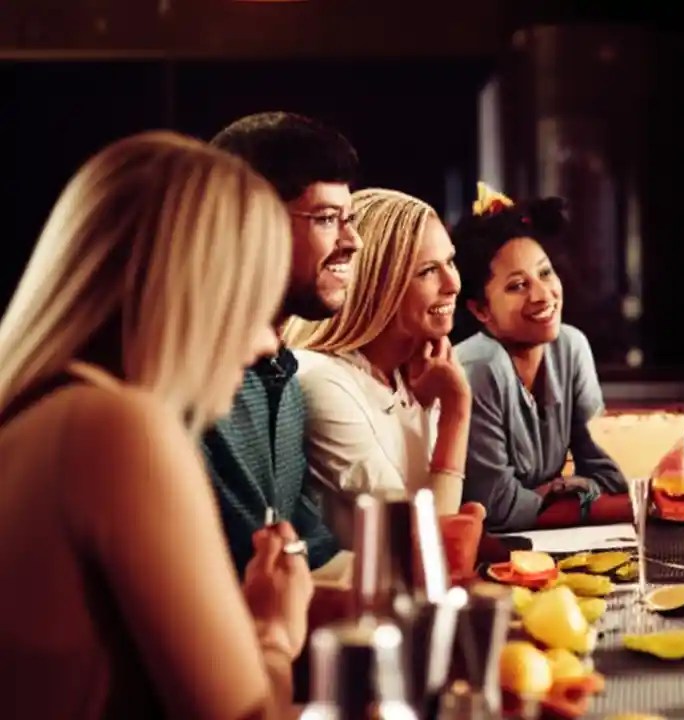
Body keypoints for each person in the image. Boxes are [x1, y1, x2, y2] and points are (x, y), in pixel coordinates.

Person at [0, 131, 308, 718]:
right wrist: (273, 634)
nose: (269, 342)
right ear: (198, 295)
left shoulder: (32, 421)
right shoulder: (115, 427)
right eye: (257, 304)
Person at [284, 187, 485, 577]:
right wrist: (456, 413)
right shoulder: (322, 380)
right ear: (379, 285)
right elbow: (429, 550)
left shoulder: (419, 368)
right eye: (428, 271)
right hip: (363, 613)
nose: (454, 284)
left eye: (450, 262)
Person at [200, 111, 360, 579]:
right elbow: (248, 571)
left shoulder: (285, 380)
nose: (354, 241)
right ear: (252, 224)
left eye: (349, 219)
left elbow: (312, 551)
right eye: (328, 218)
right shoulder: (187, 383)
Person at [452, 184, 628, 533]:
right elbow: (497, 510)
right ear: (480, 309)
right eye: (517, 286)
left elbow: (608, 474)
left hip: (549, 546)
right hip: (485, 556)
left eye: (545, 273)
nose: (543, 294)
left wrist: (560, 491)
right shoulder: (478, 367)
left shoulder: (570, 347)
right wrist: (636, 507)